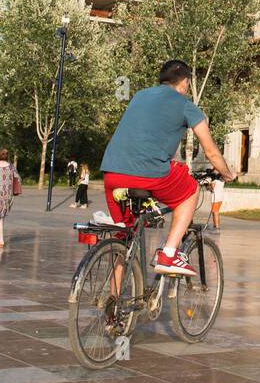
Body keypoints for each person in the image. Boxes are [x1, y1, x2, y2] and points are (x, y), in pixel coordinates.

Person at [99, 60, 236, 276]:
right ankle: (169, 254)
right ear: (185, 83)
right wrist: (228, 174)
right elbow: (211, 152)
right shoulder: (185, 105)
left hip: (111, 174)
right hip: (147, 175)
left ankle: (112, 304)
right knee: (191, 189)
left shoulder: (140, 95)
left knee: (124, 238)